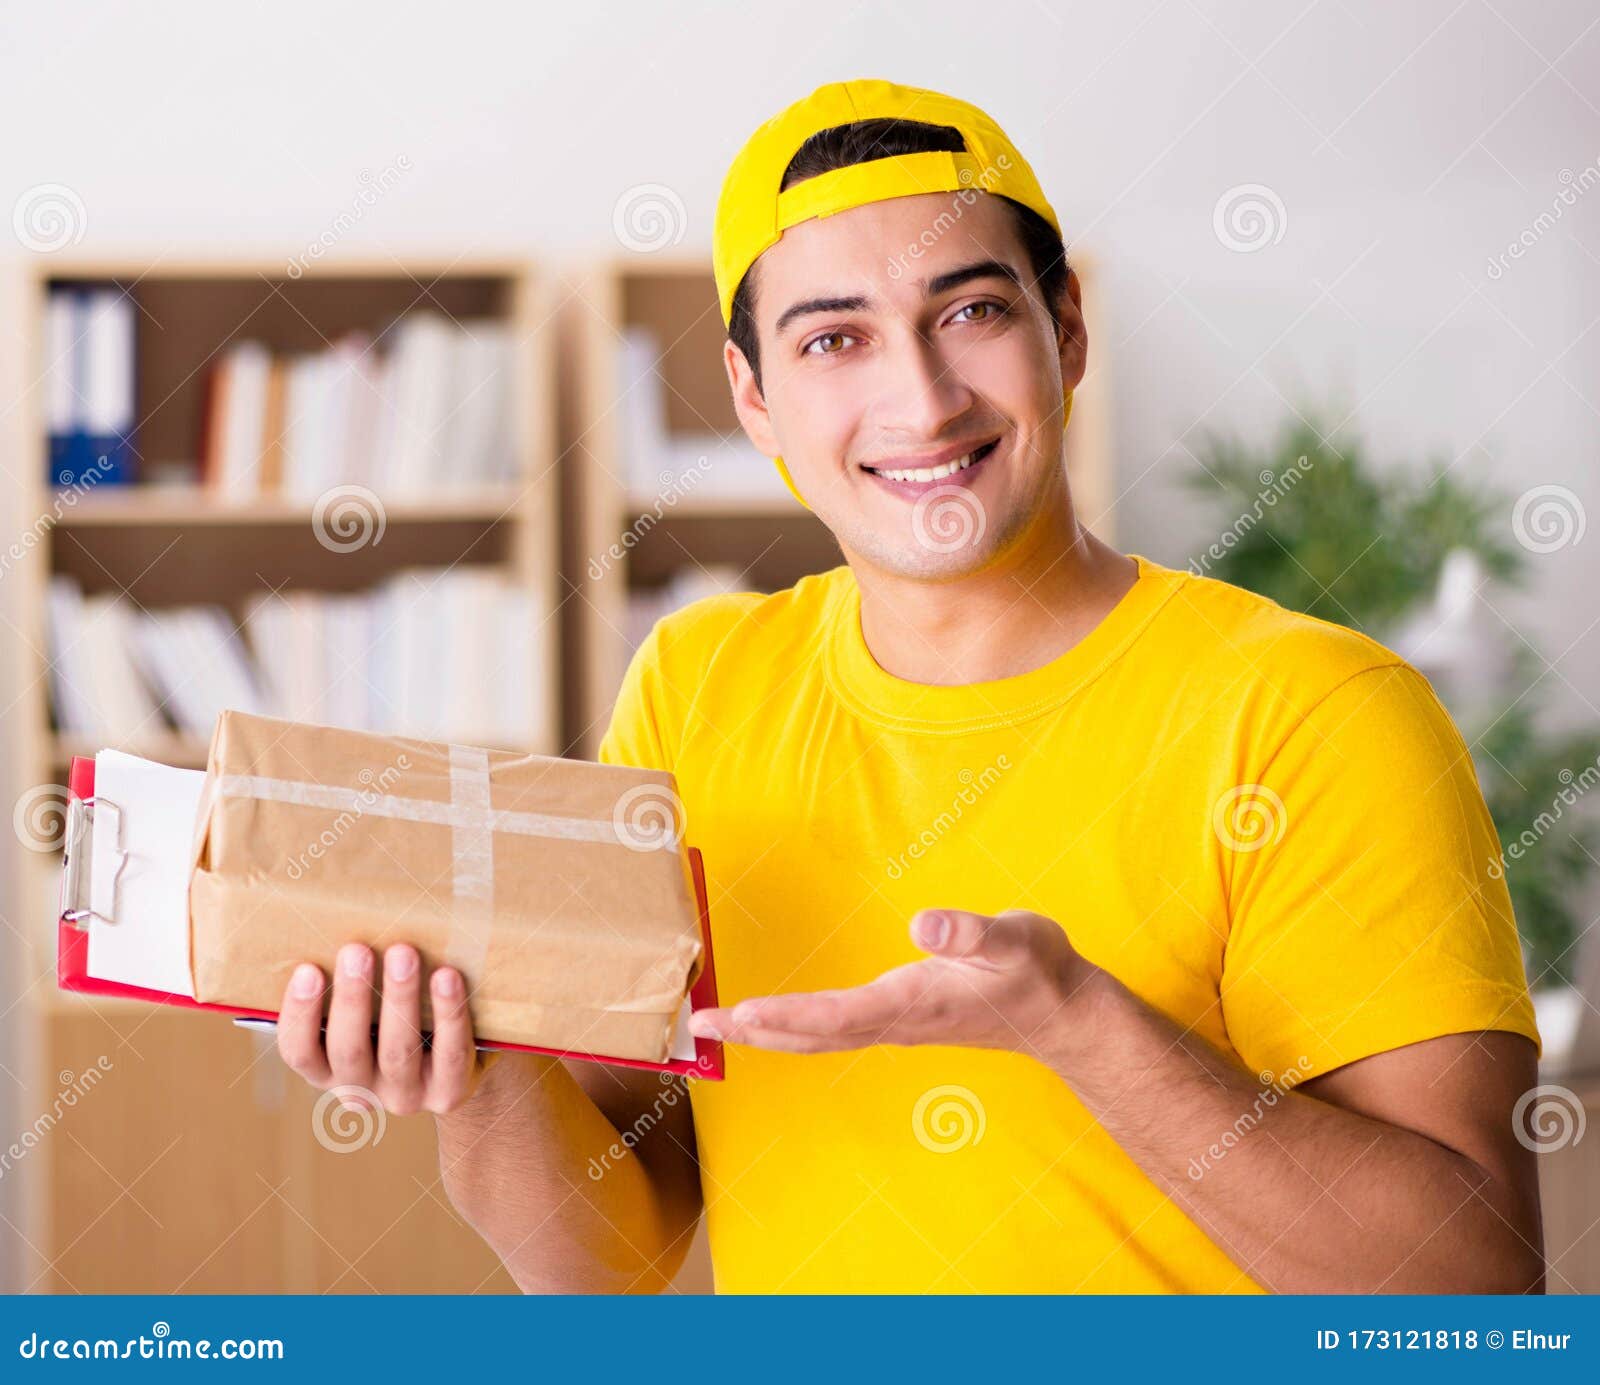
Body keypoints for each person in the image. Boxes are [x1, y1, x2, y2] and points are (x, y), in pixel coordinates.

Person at [275, 78, 1544, 1294]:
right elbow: (605, 1264)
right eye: (835, 338)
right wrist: (475, 1061)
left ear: (1068, 330)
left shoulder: (1313, 710)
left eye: (972, 312)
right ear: (755, 399)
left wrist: (1083, 1030)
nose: (921, 398)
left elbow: (1472, 1283)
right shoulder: (696, 683)